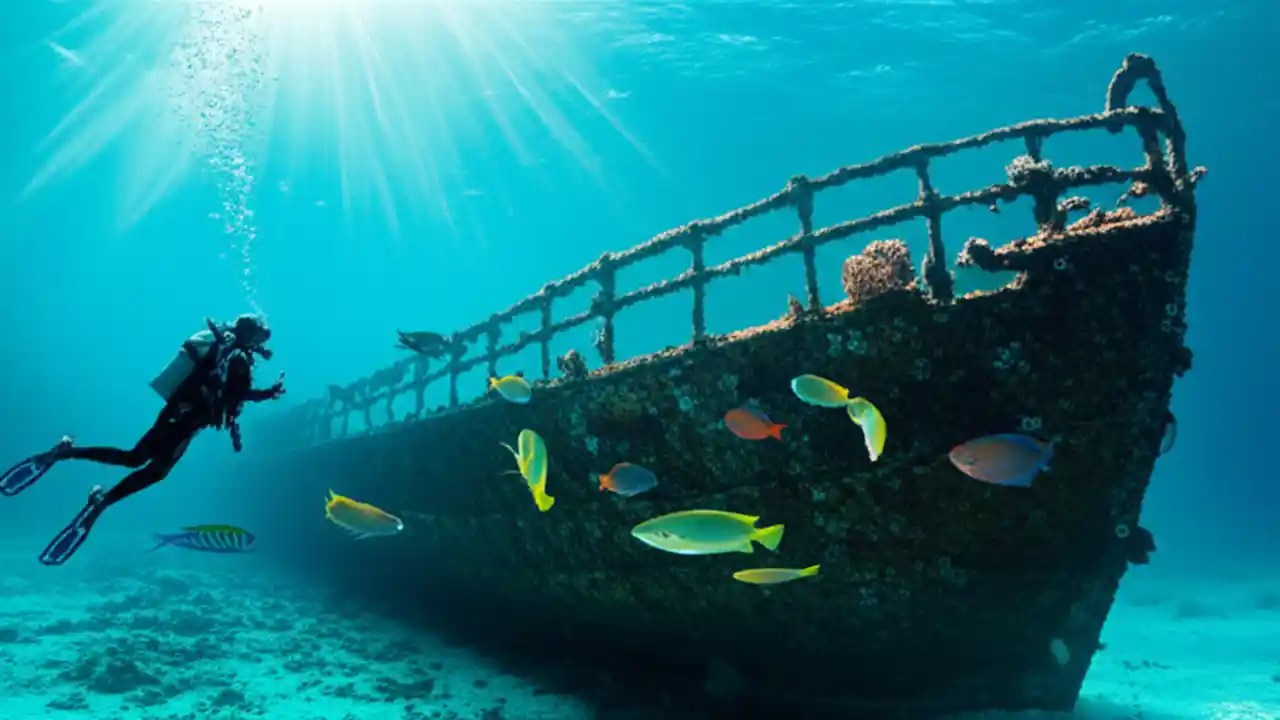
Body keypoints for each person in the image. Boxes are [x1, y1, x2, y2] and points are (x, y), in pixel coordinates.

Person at [0, 314, 286, 566]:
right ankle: (98, 495)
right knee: (151, 469)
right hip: (185, 419)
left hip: (180, 413)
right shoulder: (235, 355)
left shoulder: (226, 350)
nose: (263, 339)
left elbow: (223, 391)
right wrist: (267, 393)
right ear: (249, 334)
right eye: (261, 332)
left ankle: (69, 455)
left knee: (135, 458)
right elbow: (232, 394)